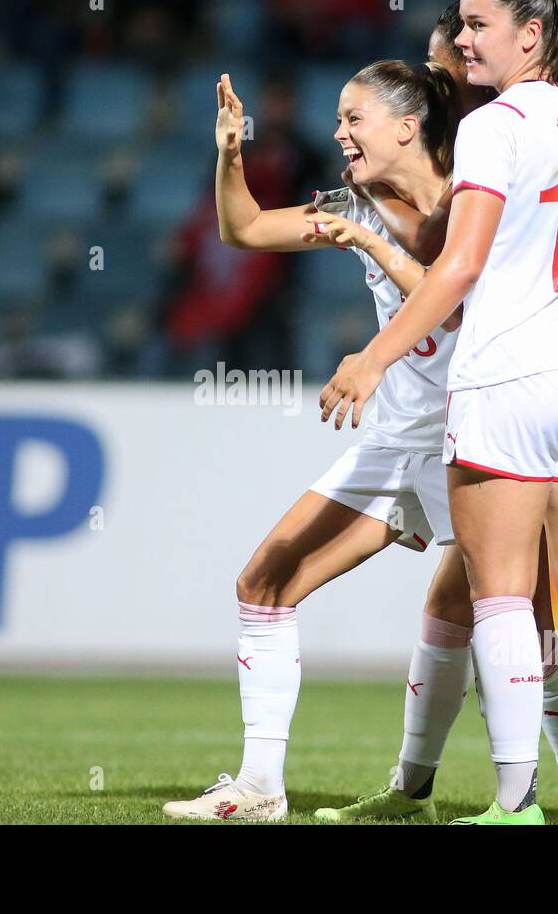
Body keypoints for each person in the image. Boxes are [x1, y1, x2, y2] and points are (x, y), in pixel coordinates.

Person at [320, 0, 558, 824]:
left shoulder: (495, 126)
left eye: (479, 26)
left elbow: (462, 265)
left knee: (504, 596)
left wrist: (374, 357)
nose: (463, 41)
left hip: (512, 375)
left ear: (532, 34)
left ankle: (516, 800)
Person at [161, 59, 473, 822]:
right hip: (398, 440)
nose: (338, 132)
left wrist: (375, 293)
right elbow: (244, 229)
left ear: (407, 127)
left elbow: (457, 308)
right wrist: (230, 155)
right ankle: (261, 786)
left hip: (474, 436)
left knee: (517, 620)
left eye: (353, 117)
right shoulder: (353, 202)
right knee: (263, 582)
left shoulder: (478, 197)